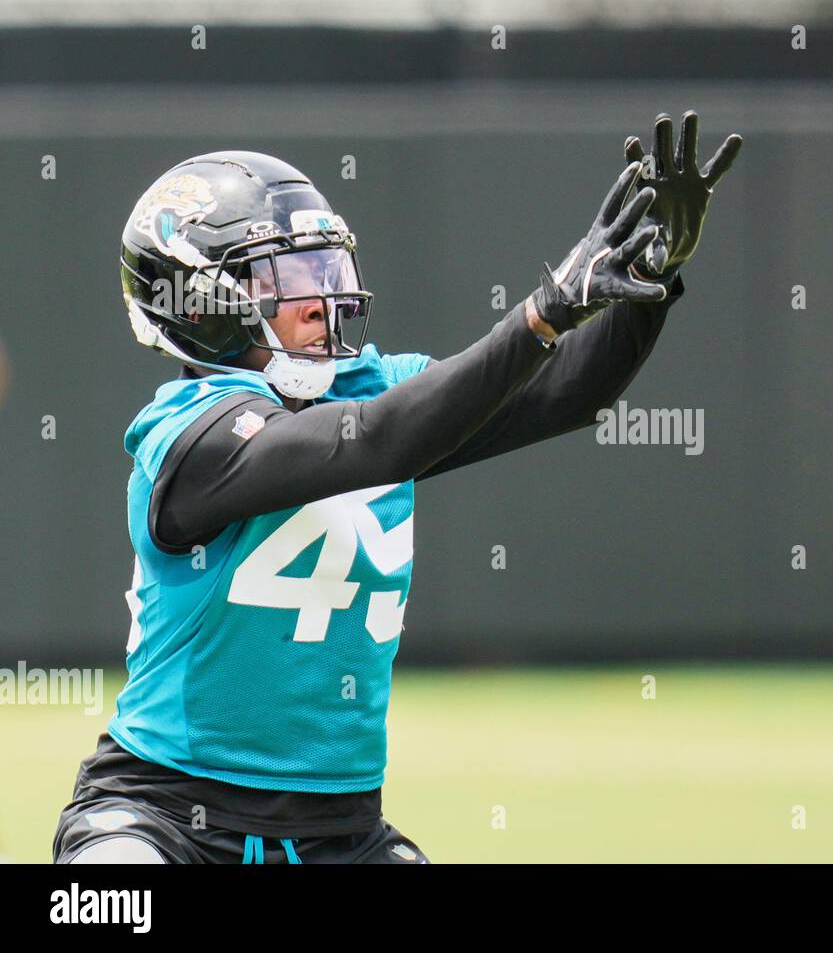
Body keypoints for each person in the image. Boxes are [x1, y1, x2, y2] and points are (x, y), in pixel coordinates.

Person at [51, 113, 741, 863]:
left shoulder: (377, 388)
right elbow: (375, 440)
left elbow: (568, 392)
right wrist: (544, 311)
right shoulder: (186, 435)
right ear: (196, 305)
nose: (319, 301)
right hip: (163, 816)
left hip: (340, 833)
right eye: (283, 280)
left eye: (324, 272)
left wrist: (651, 279)